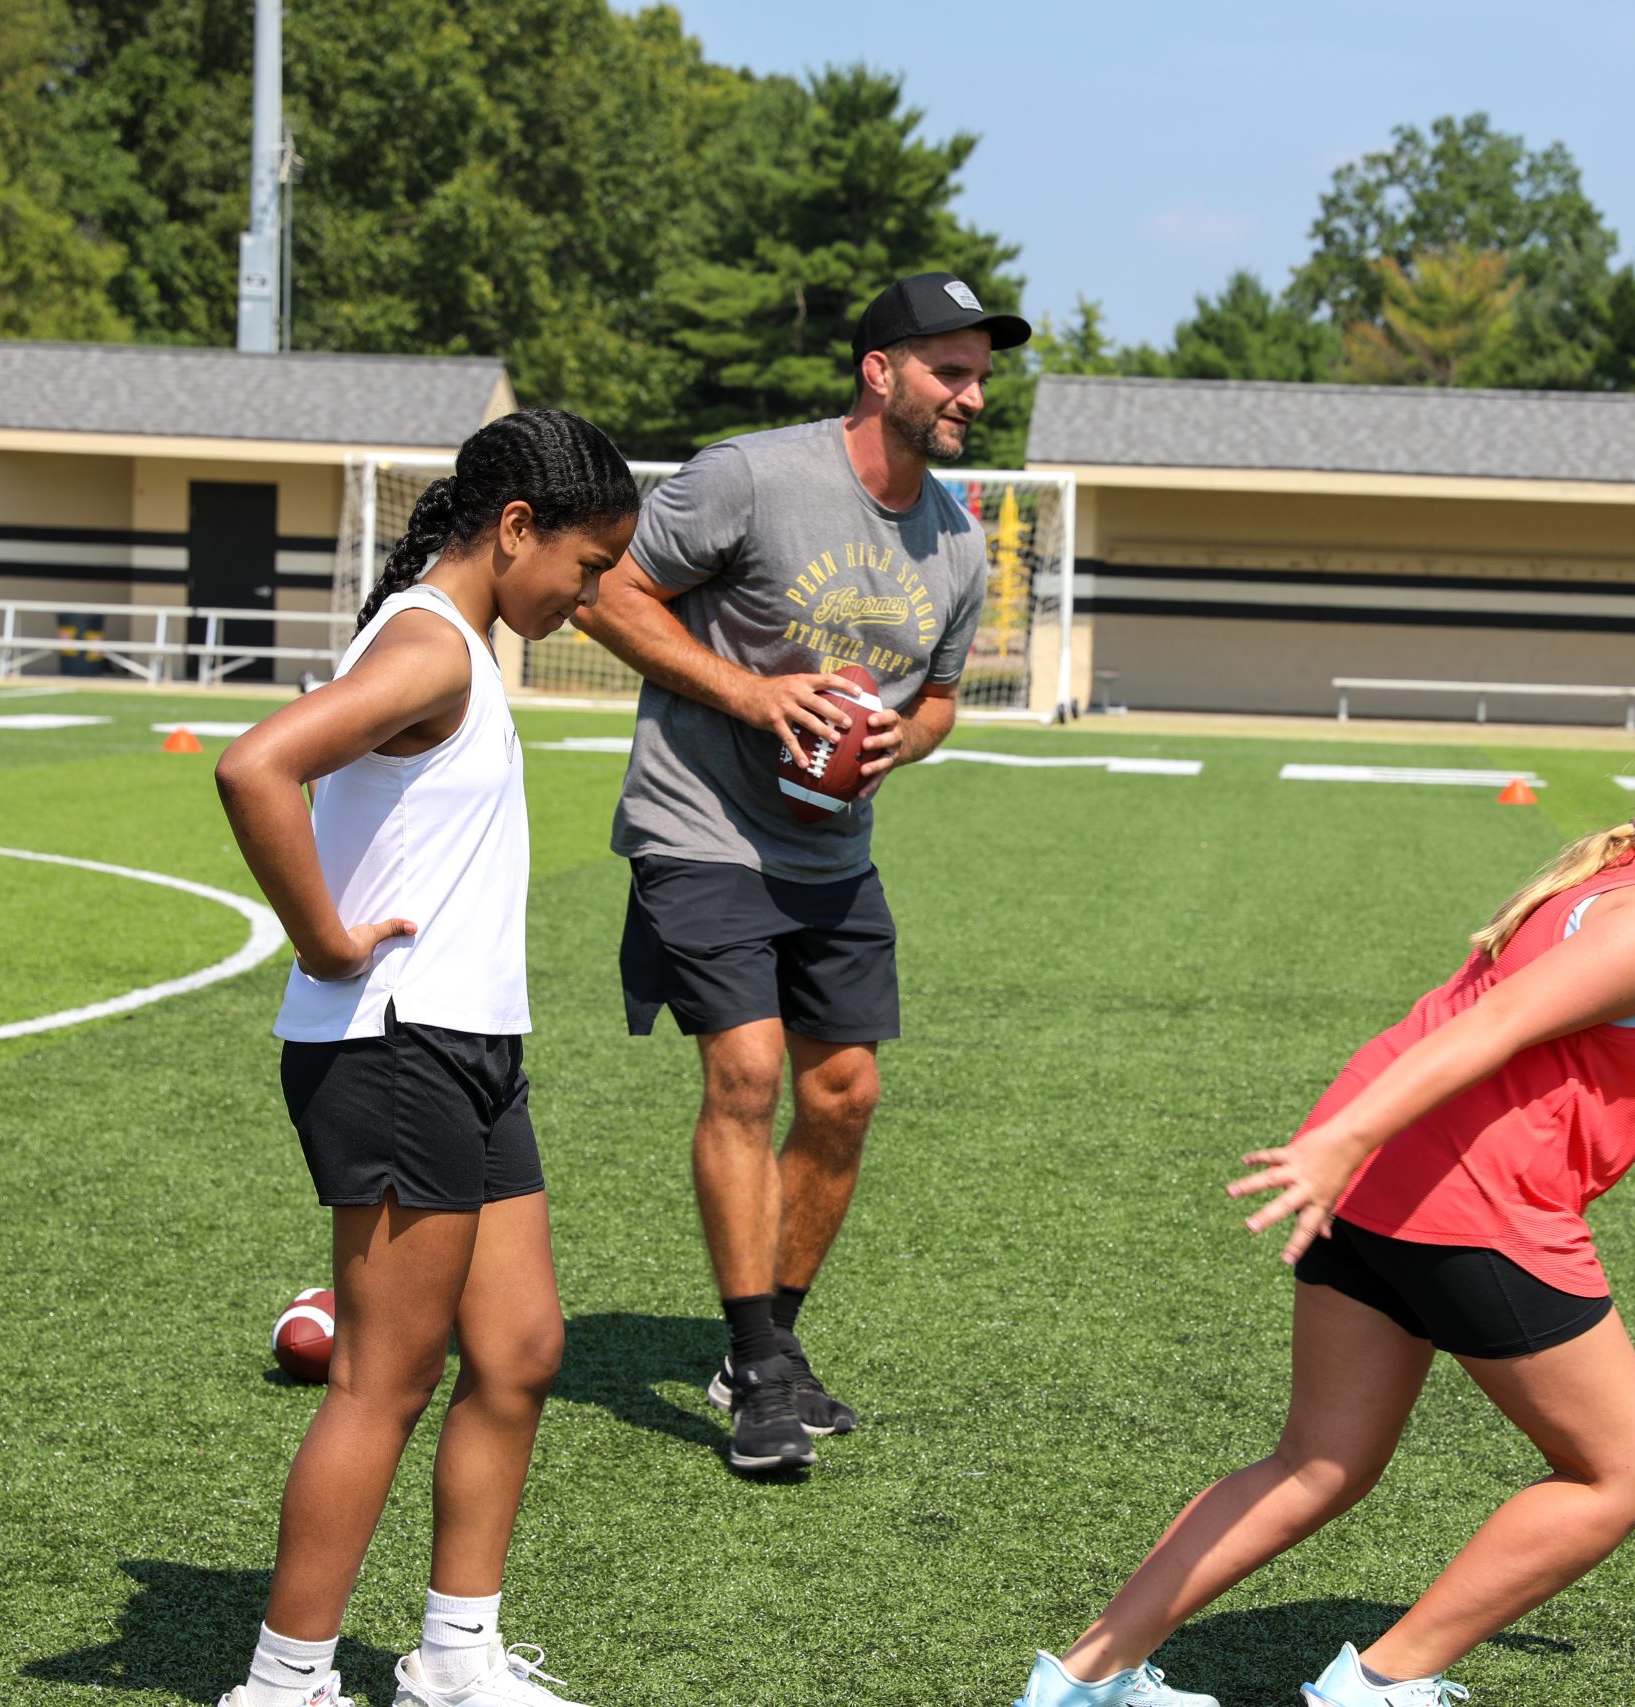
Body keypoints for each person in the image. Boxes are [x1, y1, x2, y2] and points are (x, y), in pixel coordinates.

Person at [1013, 691, 1635, 1707]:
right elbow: (1497, 1027)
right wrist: (1336, 1143)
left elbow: (1539, 1060)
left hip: (1377, 1184)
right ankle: (1382, 1687)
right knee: (1623, 1471)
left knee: (1318, 1461)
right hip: (1461, 1204)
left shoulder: (1612, 875)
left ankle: (1078, 1685)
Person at [212, 409, 641, 1707]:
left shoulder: (443, 635)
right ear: (516, 529)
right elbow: (254, 766)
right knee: (378, 1379)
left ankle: (456, 1656)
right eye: (587, 562)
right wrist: (329, 940)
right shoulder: (429, 648)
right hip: (393, 1044)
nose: (594, 590)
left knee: (518, 1346)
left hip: (467, 1046)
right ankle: (282, 1686)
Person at [571, 271, 1027, 1474]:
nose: (972, 394)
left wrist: (900, 742)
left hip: (832, 853)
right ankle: (762, 1372)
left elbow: (935, 701)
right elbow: (605, 591)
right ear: (879, 372)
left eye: (982, 373)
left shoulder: (957, 539)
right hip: (700, 827)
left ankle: (764, 1342)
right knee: (748, 1070)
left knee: (845, 1097)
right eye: (950, 369)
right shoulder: (750, 476)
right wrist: (747, 690)